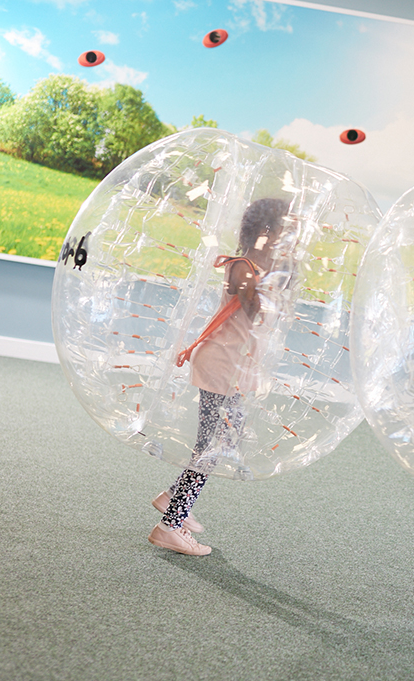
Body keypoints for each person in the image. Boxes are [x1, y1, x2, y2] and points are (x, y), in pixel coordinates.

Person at [148, 198, 292, 555]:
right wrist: (274, 280)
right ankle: (170, 524)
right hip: (220, 366)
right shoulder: (242, 268)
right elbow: (254, 306)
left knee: (225, 439)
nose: (291, 243)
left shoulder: (260, 271)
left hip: (233, 370)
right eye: (286, 234)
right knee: (212, 446)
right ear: (265, 234)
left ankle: (173, 498)